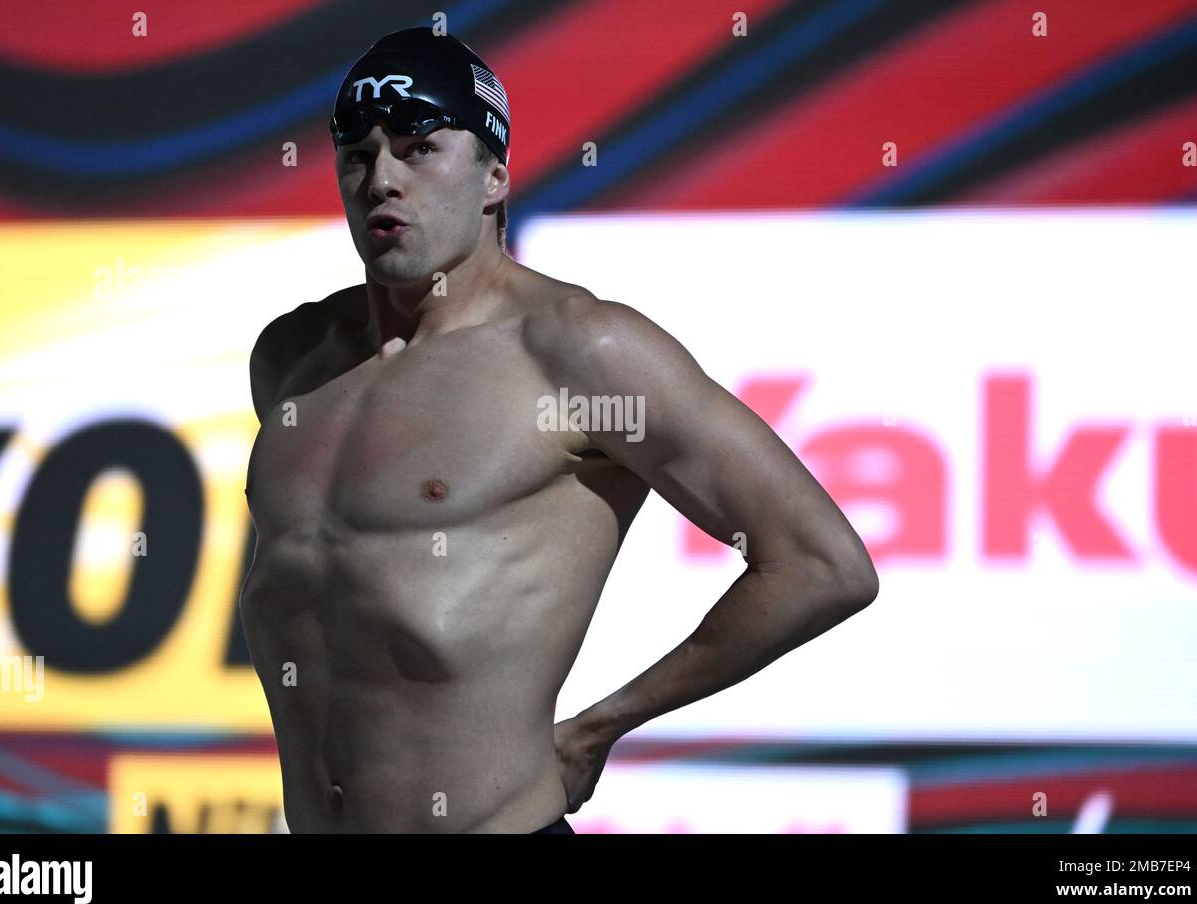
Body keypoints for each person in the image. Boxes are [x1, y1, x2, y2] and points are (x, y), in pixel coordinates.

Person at [240, 26, 878, 834]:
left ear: (495, 176)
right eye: (357, 155)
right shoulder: (293, 361)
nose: (382, 179)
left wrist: (601, 725)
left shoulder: (578, 352)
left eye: (419, 148)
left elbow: (821, 564)